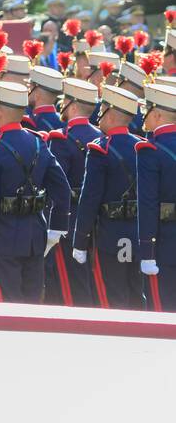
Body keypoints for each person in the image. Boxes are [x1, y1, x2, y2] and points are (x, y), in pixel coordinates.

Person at [0, 81, 71, 303]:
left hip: (4, 237)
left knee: (8, 304)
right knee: (33, 301)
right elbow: (62, 187)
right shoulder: (38, 142)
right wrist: (56, 228)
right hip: (36, 235)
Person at [71, 84, 149, 309]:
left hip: (110, 235)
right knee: (137, 293)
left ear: (112, 114)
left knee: (112, 296)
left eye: (103, 108)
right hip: (136, 233)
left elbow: (89, 200)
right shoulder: (141, 146)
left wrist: (80, 241)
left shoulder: (100, 150)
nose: (98, 114)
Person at [44, 78, 101, 307]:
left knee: (67, 282)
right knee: (93, 277)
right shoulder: (99, 136)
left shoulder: (61, 138)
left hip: (68, 217)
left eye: (65, 101)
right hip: (97, 218)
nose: (62, 105)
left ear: (74, 106)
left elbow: (56, 185)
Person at [140, 82, 176, 310]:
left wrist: (146, 250)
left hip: (164, 243)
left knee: (162, 311)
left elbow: (148, 204)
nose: (144, 115)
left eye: (148, 110)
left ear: (158, 114)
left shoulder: (151, 150)